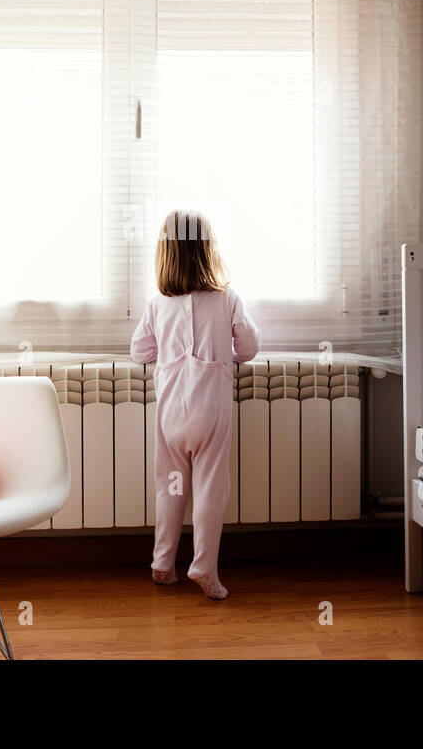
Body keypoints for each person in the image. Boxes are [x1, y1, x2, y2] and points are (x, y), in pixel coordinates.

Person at [129, 209, 260, 599]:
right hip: (210, 413)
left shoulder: (158, 304)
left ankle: (162, 563)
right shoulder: (226, 300)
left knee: (170, 488)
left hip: (172, 414)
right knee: (209, 490)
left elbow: (139, 351)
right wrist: (227, 354)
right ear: (209, 252)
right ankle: (203, 566)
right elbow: (250, 347)